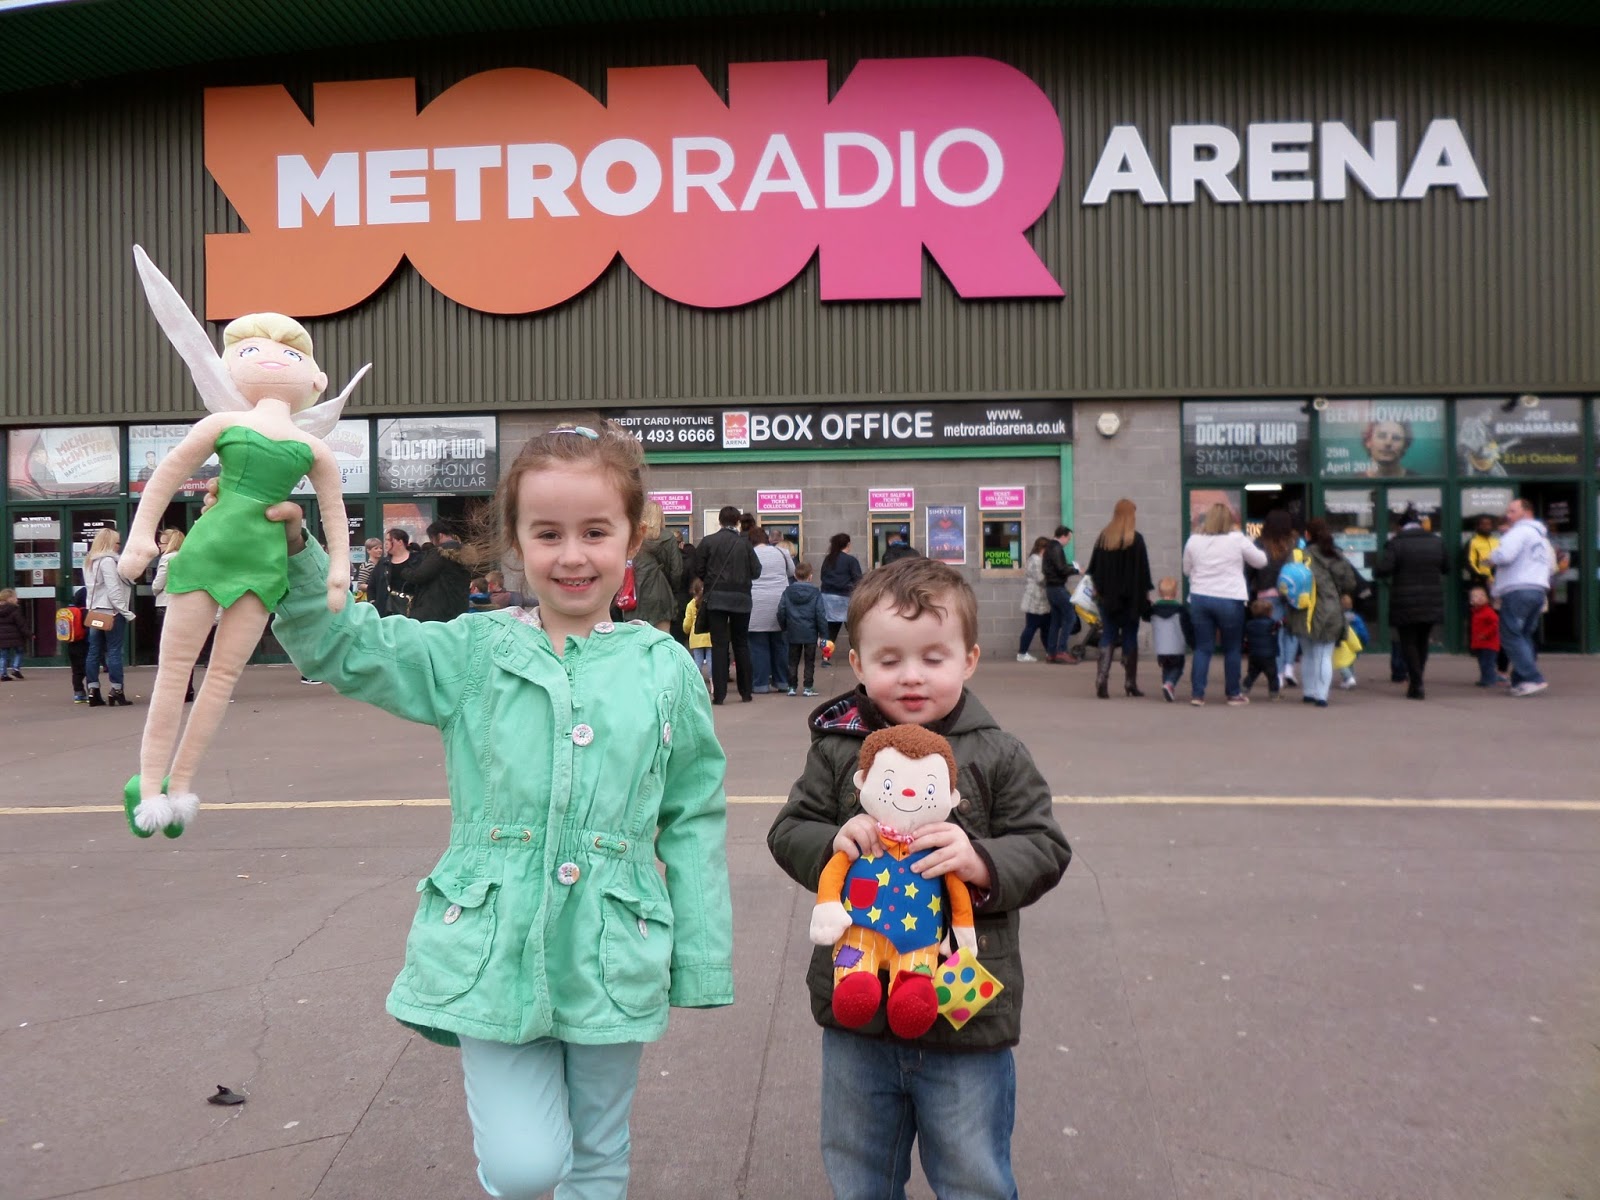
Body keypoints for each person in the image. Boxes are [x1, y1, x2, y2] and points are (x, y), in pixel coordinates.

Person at [269, 422, 734, 1200]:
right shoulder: (472, 652)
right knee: (526, 1168)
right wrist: (294, 560)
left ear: (633, 535)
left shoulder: (664, 671)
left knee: (597, 1158)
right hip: (490, 943)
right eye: (547, 533)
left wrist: (702, 952)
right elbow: (345, 648)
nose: (572, 555)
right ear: (515, 539)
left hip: (614, 947)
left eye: (595, 531)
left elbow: (693, 814)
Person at [766, 556, 1072, 1200]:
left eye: (933, 658)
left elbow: (1044, 845)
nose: (911, 676)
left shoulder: (996, 752)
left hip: (964, 1014)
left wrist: (980, 861)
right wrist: (833, 844)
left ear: (968, 659)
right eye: (889, 660)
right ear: (856, 664)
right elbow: (789, 828)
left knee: (972, 1173)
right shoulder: (838, 749)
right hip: (858, 1001)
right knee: (858, 1166)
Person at [1181, 502, 1266, 707]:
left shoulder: (1193, 541)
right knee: (1232, 648)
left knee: (1203, 648)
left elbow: (1186, 570)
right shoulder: (1237, 539)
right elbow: (1261, 561)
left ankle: (1197, 694)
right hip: (1230, 597)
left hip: (1200, 597)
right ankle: (1233, 693)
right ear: (1230, 521)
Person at [1285, 518, 1362, 708]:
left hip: (1303, 608)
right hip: (1330, 609)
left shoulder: (1299, 556)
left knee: (1308, 653)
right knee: (1323, 655)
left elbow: (1287, 582)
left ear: (1307, 535)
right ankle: (1322, 696)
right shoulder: (1337, 556)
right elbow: (1350, 583)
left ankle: (1309, 693)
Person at [1374, 506, 1447, 700]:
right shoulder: (1436, 542)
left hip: (1404, 599)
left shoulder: (1396, 543)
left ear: (1401, 526)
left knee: (1408, 642)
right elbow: (1446, 567)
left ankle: (1417, 683)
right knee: (1423, 641)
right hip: (1431, 598)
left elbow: (1383, 569)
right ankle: (1418, 680)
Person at [1487, 498, 1557, 697]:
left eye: (1512, 511)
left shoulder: (1519, 532)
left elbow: (1505, 556)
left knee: (1510, 635)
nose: (1508, 515)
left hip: (1518, 589)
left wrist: (1491, 558)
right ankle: (1521, 680)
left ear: (1526, 512)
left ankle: (1533, 678)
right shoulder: (1541, 537)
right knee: (1524, 635)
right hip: (1537, 589)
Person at [1085, 499, 1154, 699]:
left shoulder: (1103, 539)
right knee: (1130, 635)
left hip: (1107, 598)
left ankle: (1102, 678)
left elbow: (1094, 570)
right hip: (1131, 598)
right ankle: (1130, 683)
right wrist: (1145, 596)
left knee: (1108, 634)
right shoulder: (1136, 539)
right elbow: (1143, 573)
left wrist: (1100, 592)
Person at [694, 505, 763, 705]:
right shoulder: (745, 544)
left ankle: (720, 694)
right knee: (741, 644)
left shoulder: (708, 542)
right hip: (741, 599)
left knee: (719, 645)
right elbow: (756, 571)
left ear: (720, 521)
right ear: (737, 521)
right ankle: (746, 692)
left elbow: (698, 568)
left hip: (716, 599)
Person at [83, 527, 135, 707]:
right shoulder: (108, 562)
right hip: (111, 612)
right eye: (118, 542)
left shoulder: (89, 561)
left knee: (94, 651)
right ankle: (116, 689)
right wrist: (125, 611)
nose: (119, 546)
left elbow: (91, 589)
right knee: (114, 650)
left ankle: (92, 689)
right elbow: (113, 589)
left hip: (95, 611)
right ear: (111, 543)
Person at [1251, 510, 1301, 688]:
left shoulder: (1260, 543)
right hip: (1293, 592)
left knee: (1275, 633)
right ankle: (1289, 667)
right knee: (1292, 631)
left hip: (1267, 594)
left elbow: (1252, 568)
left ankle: (1278, 673)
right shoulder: (1295, 543)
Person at [151, 528, 200, 702]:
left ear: (170, 543)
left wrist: (154, 589)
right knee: (185, 649)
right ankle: (188, 688)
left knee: (168, 650)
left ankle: (172, 690)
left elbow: (158, 584)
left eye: (161, 542)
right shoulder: (189, 557)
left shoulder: (167, 558)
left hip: (166, 605)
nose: (158, 545)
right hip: (184, 606)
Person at [748, 524, 796, 694]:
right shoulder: (781, 552)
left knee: (757, 646)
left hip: (756, 603)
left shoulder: (750, 553)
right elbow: (792, 571)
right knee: (780, 644)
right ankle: (782, 681)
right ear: (766, 539)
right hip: (779, 601)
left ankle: (760, 684)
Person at [631, 500, 683, 633]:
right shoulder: (669, 538)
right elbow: (676, 571)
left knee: (636, 640)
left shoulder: (634, 538)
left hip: (636, 594)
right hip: (662, 594)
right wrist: (672, 590)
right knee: (661, 641)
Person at [404, 521, 472, 623]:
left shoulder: (438, 554)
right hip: (458, 609)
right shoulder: (466, 555)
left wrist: (404, 571)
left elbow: (420, 575)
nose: (432, 542)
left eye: (431, 538)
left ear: (439, 536)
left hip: (435, 610)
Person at [778, 560, 828, 697]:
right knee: (809, 661)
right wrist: (823, 634)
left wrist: (784, 627)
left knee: (792, 661)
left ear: (794, 575)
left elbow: (781, 611)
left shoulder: (787, 592)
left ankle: (792, 687)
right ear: (810, 576)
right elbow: (820, 614)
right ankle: (807, 687)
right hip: (811, 632)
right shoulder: (815, 593)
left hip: (793, 631)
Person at [1149, 577, 1193, 703]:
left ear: (1159, 592)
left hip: (1161, 647)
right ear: (1175, 592)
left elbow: (1147, 616)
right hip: (1176, 647)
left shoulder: (1154, 609)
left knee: (1166, 667)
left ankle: (1167, 689)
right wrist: (1193, 643)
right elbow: (1187, 628)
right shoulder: (1181, 609)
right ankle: (1169, 684)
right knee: (1177, 668)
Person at [1041, 524, 1080, 664]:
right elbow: (1061, 569)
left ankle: (1051, 653)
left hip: (1051, 588)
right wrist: (1076, 571)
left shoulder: (1048, 548)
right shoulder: (1057, 548)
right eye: (1068, 539)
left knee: (1055, 621)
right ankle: (1061, 651)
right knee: (1070, 617)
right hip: (1058, 588)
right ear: (1063, 536)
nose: (1068, 542)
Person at [819, 533, 863, 652]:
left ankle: (825, 657)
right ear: (848, 544)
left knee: (830, 631)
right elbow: (858, 579)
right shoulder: (851, 560)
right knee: (852, 630)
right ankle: (857, 654)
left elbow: (822, 577)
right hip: (846, 598)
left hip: (828, 598)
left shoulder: (828, 559)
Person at [1016, 536, 1053, 662]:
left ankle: (1050, 652)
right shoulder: (1036, 560)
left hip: (1041, 600)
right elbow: (1040, 579)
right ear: (1043, 548)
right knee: (1031, 627)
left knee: (1046, 627)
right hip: (1034, 599)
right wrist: (1053, 576)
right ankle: (1022, 653)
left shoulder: (1038, 559)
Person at [1241, 597, 1281, 699]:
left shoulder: (1249, 624)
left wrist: (1246, 651)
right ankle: (1274, 693)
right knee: (1272, 676)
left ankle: (1244, 688)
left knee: (1252, 674)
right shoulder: (1272, 624)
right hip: (1268, 655)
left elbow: (1246, 640)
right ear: (1269, 612)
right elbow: (1279, 625)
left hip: (1254, 654)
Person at [368, 528, 413, 617]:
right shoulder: (383, 563)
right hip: (385, 612)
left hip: (410, 611)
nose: (386, 543)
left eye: (389, 540)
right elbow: (372, 585)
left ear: (400, 542)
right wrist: (373, 602)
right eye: (385, 540)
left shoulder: (416, 560)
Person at [1467, 586, 1501, 688]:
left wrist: (1486, 634)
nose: (1480, 597)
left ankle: (1490, 680)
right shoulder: (1476, 613)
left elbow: (1495, 624)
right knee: (1482, 663)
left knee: (1488, 663)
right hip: (1480, 644)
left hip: (1489, 643)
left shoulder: (1488, 611)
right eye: (1475, 596)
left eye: (1482, 595)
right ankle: (1485, 679)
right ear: (1471, 601)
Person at [682, 578, 713, 689]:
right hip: (709, 636)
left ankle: (696, 684)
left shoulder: (690, 605)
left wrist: (686, 630)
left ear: (693, 591)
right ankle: (713, 683)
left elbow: (687, 624)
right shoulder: (709, 602)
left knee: (698, 661)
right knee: (711, 660)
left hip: (696, 636)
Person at [1335, 594, 1369, 691]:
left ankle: (1349, 678)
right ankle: (1351, 677)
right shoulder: (1356, 618)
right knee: (1350, 661)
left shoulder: (1339, 619)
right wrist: (1364, 642)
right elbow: (1363, 632)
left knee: (1342, 663)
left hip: (1342, 643)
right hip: (1354, 643)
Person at [0, 587, 25, 680]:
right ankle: (16, 668)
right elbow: (21, 623)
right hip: (15, 636)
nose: (17, 599)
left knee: (3, 655)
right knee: (20, 651)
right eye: (15, 597)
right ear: (10, 598)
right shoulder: (14, 609)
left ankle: (3, 674)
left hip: (1, 637)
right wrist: (29, 634)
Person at [353, 537, 384, 601]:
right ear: (368, 550)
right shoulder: (367, 566)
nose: (379, 550)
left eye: (381, 548)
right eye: (376, 548)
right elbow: (360, 585)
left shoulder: (381, 565)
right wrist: (376, 587)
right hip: (368, 599)